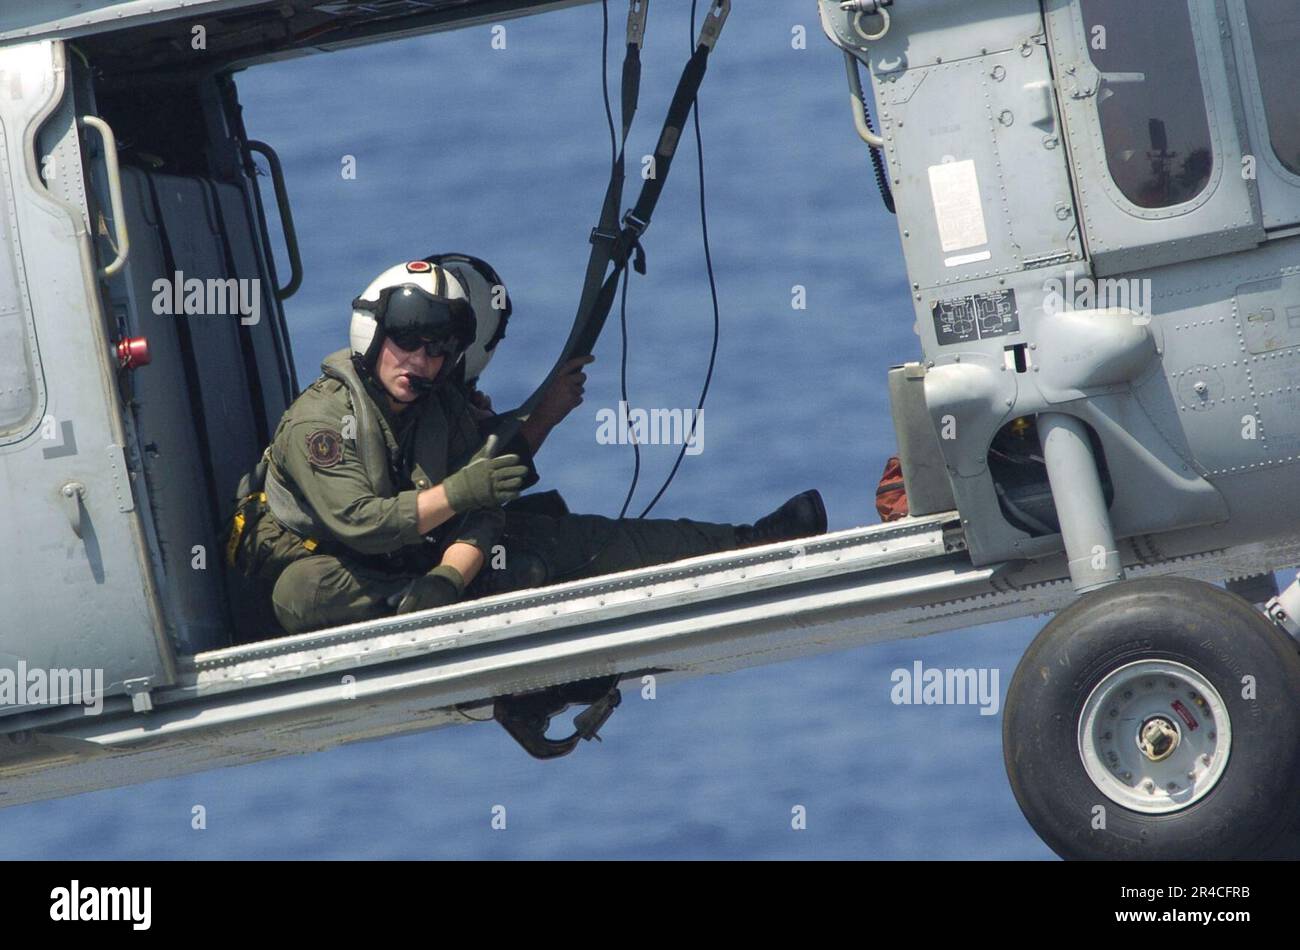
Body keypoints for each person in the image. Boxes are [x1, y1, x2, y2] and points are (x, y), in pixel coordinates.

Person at [232, 259, 826, 636]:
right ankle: (426, 599)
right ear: (376, 334)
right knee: (301, 594)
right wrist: (459, 508)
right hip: (335, 564)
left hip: (419, 558)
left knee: (586, 540)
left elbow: (489, 489)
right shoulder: (321, 421)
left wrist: (449, 572)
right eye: (409, 341)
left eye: (438, 348)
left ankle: (748, 543)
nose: (422, 360)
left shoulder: (435, 408)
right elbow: (359, 523)